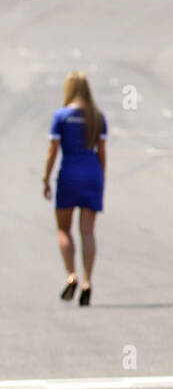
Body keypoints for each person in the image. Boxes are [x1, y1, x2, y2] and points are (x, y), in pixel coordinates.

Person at [43, 72, 107, 305]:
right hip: (93, 174)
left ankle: (71, 275)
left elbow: (52, 151)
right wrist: (101, 182)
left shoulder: (61, 116)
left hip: (69, 174)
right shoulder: (97, 117)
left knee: (63, 228)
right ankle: (87, 280)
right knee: (88, 231)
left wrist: (45, 178)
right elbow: (102, 154)